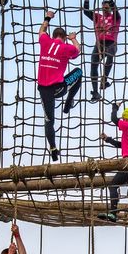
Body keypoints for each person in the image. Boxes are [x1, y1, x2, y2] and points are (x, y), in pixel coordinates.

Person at [37, 11, 81, 161]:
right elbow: (78, 49)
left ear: (53, 35)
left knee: (49, 121)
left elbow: (42, 30)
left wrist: (47, 17)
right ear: (64, 37)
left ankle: (53, 149)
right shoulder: (66, 48)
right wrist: (73, 39)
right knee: (78, 72)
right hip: (59, 88)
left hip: (44, 91)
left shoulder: (45, 41)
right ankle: (68, 103)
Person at [98, 102, 128, 228]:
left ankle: (113, 213)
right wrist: (108, 139)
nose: (122, 120)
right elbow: (122, 145)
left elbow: (114, 119)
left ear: (127, 118)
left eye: (124, 118)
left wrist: (115, 107)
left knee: (113, 185)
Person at [83, 0, 121, 102]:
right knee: (93, 64)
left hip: (111, 42)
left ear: (109, 8)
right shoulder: (98, 17)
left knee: (110, 56)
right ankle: (95, 92)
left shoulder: (115, 17)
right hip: (99, 44)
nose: (105, 9)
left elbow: (116, 10)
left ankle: (104, 80)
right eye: (103, 7)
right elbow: (86, 11)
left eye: (107, 7)